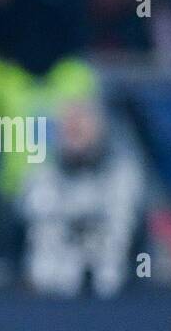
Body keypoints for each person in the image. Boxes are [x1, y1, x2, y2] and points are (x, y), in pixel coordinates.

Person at [22, 97, 146, 297]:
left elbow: (121, 231)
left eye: (82, 125)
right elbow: (42, 230)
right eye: (68, 128)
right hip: (55, 284)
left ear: (101, 128)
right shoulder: (42, 174)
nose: (74, 131)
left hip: (117, 285)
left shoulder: (123, 173)